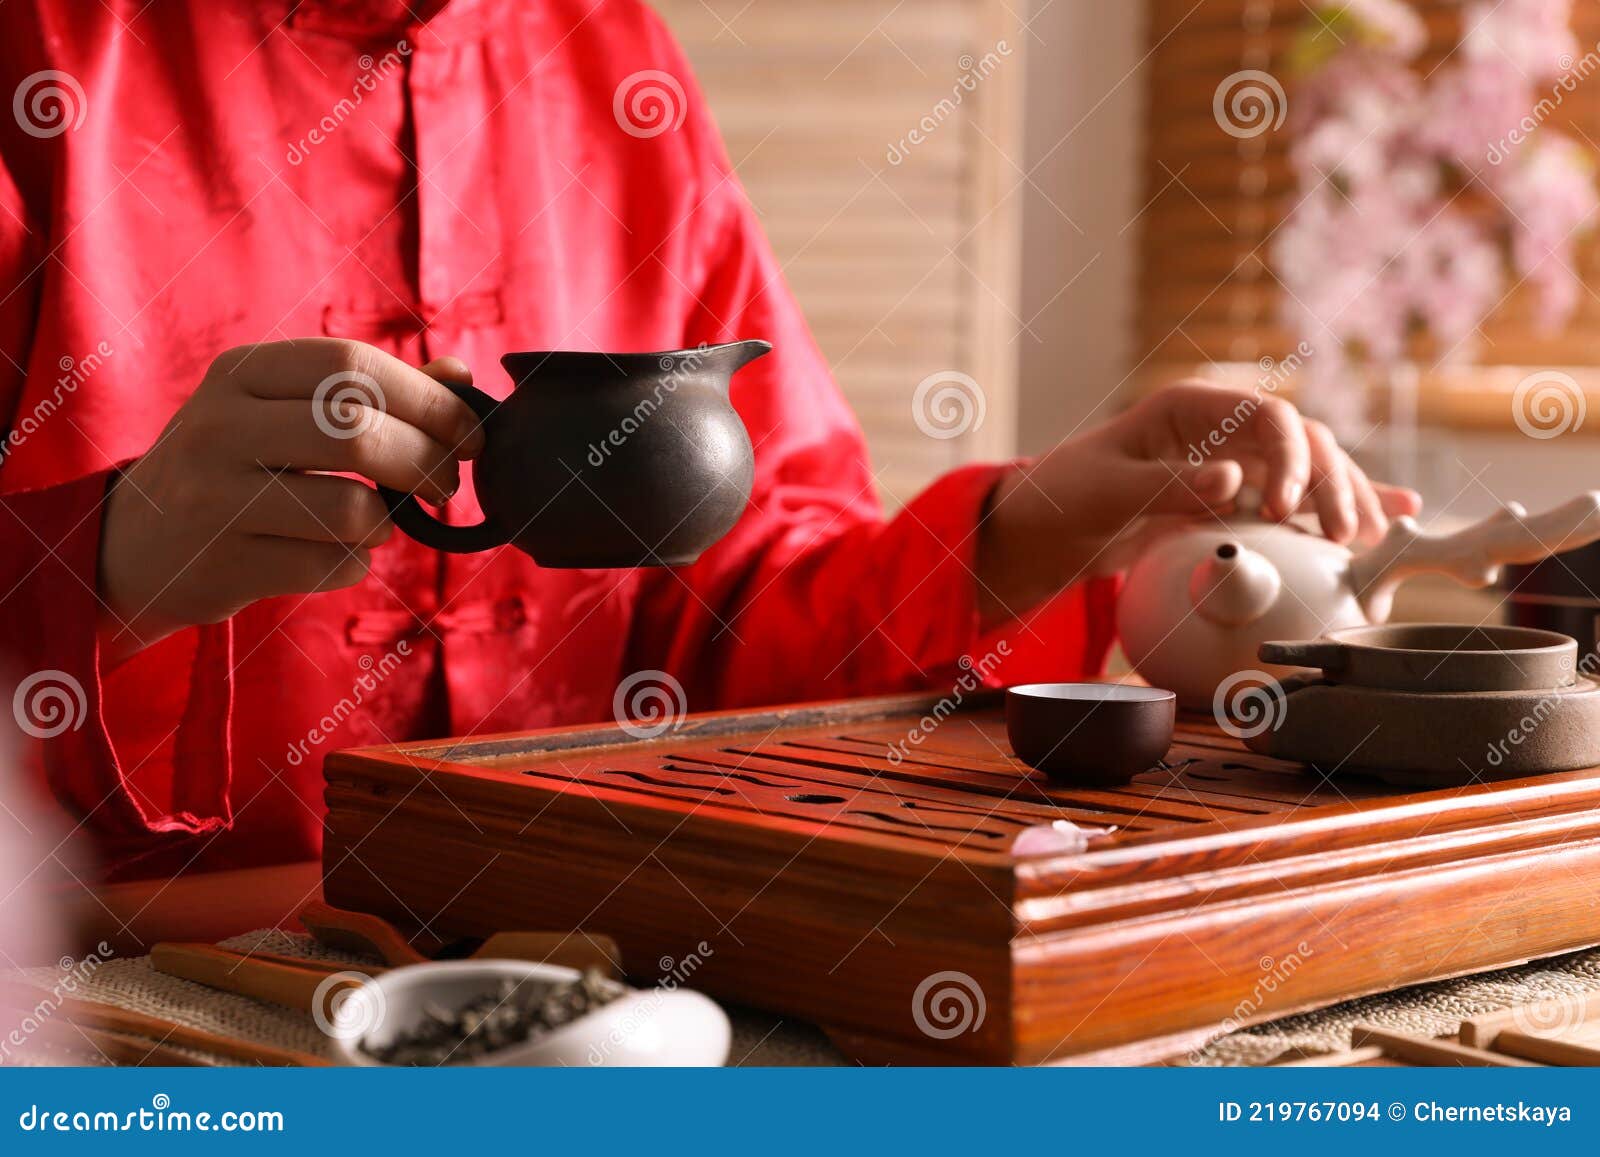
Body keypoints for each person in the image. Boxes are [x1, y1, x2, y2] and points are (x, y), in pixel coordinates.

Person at [0, 0, 1418, 880]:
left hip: (592, 967)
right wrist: (105, 569)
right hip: (119, 989)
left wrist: (1042, 524)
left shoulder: (610, 54)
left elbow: (721, 618)